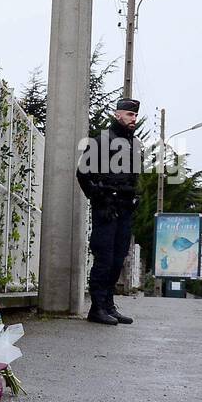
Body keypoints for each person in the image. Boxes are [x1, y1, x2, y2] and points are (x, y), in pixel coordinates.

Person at [77, 98, 143, 325]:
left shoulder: (134, 144)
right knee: (104, 258)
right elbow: (83, 174)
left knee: (118, 258)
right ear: (118, 115)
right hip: (107, 207)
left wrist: (135, 197)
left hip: (124, 207)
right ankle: (97, 308)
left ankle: (108, 304)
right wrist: (98, 198)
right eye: (129, 115)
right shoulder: (102, 141)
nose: (133, 119)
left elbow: (134, 177)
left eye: (135, 116)